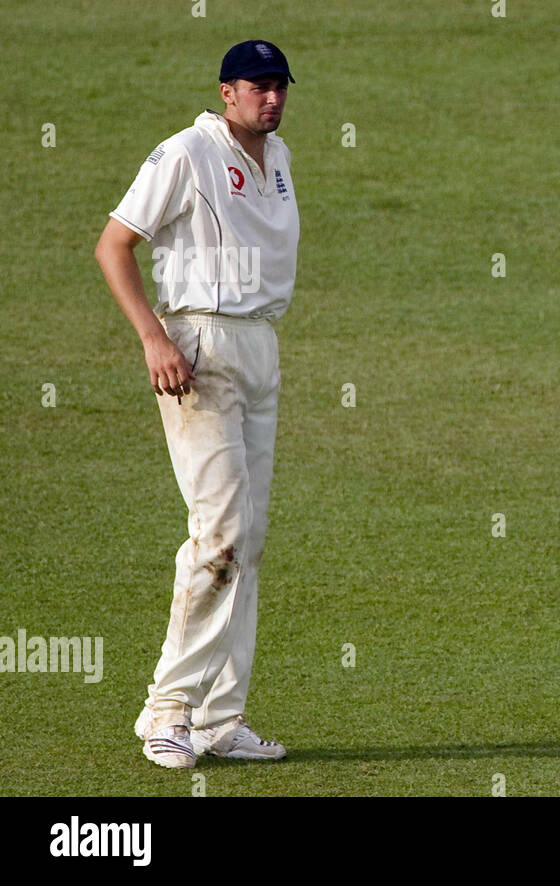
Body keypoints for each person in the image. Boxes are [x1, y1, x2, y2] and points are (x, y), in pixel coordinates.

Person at [94, 40, 300, 768]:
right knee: (218, 533)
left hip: (259, 345)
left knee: (248, 538)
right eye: (257, 85)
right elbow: (114, 245)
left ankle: (219, 716)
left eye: (279, 86)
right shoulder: (186, 152)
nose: (270, 97)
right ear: (225, 91)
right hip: (200, 343)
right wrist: (155, 337)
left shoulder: (277, 160)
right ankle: (168, 708)